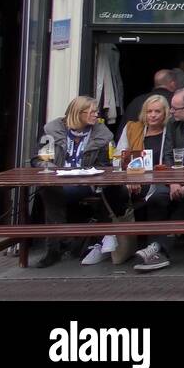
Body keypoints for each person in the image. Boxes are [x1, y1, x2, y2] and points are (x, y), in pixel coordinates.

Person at [31, 97, 129, 268]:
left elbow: (105, 165)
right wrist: (50, 166)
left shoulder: (102, 133)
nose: (96, 114)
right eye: (92, 112)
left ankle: (60, 244)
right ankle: (55, 247)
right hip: (58, 180)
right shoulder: (52, 130)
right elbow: (38, 159)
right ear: (78, 113)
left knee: (53, 192)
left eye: (96, 111)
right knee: (48, 190)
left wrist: (90, 173)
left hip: (86, 183)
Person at [132, 88, 184, 272]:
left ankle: (158, 249)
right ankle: (154, 249)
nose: (170, 111)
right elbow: (168, 155)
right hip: (176, 177)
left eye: (175, 108)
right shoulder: (173, 123)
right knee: (157, 197)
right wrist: (173, 183)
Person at [80, 94, 171, 265]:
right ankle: (109, 240)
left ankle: (121, 241)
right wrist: (130, 176)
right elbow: (117, 157)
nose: (152, 115)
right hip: (131, 180)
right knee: (108, 189)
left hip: (157, 182)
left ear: (165, 113)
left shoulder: (171, 132)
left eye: (157, 111)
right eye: (149, 111)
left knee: (158, 196)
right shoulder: (132, 128)